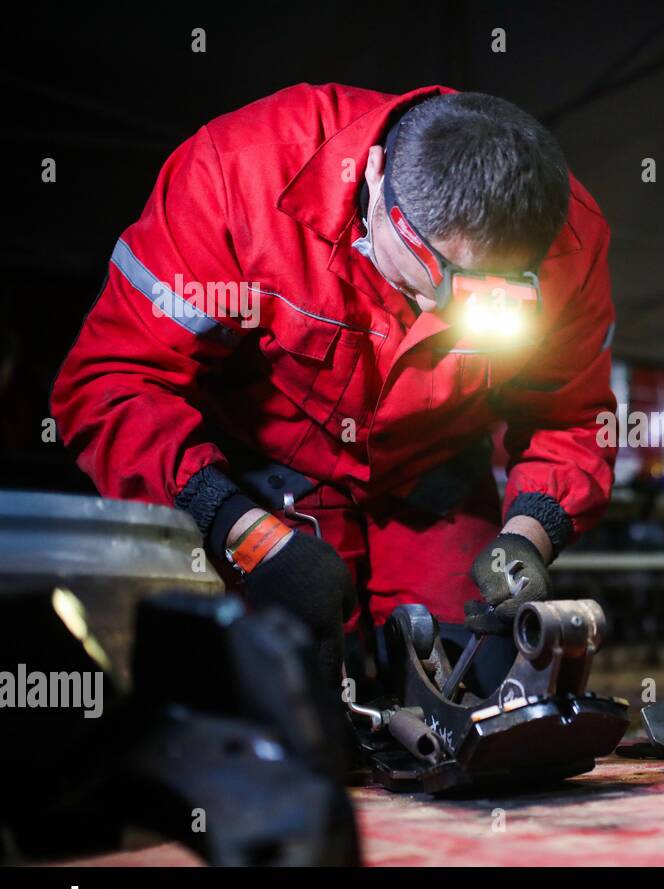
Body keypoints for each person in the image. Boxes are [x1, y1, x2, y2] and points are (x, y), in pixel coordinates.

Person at [52, 84, 617, 694]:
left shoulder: (570, 243)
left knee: (480, 693)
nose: (444, 316)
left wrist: (524, 541)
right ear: (376, 178)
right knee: (295, 704)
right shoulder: (239, 174)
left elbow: (572, 418)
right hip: (263, 476)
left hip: (432, 476)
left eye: (488, 294)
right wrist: (242, 532)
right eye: (433, 276)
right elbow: (113, 383)